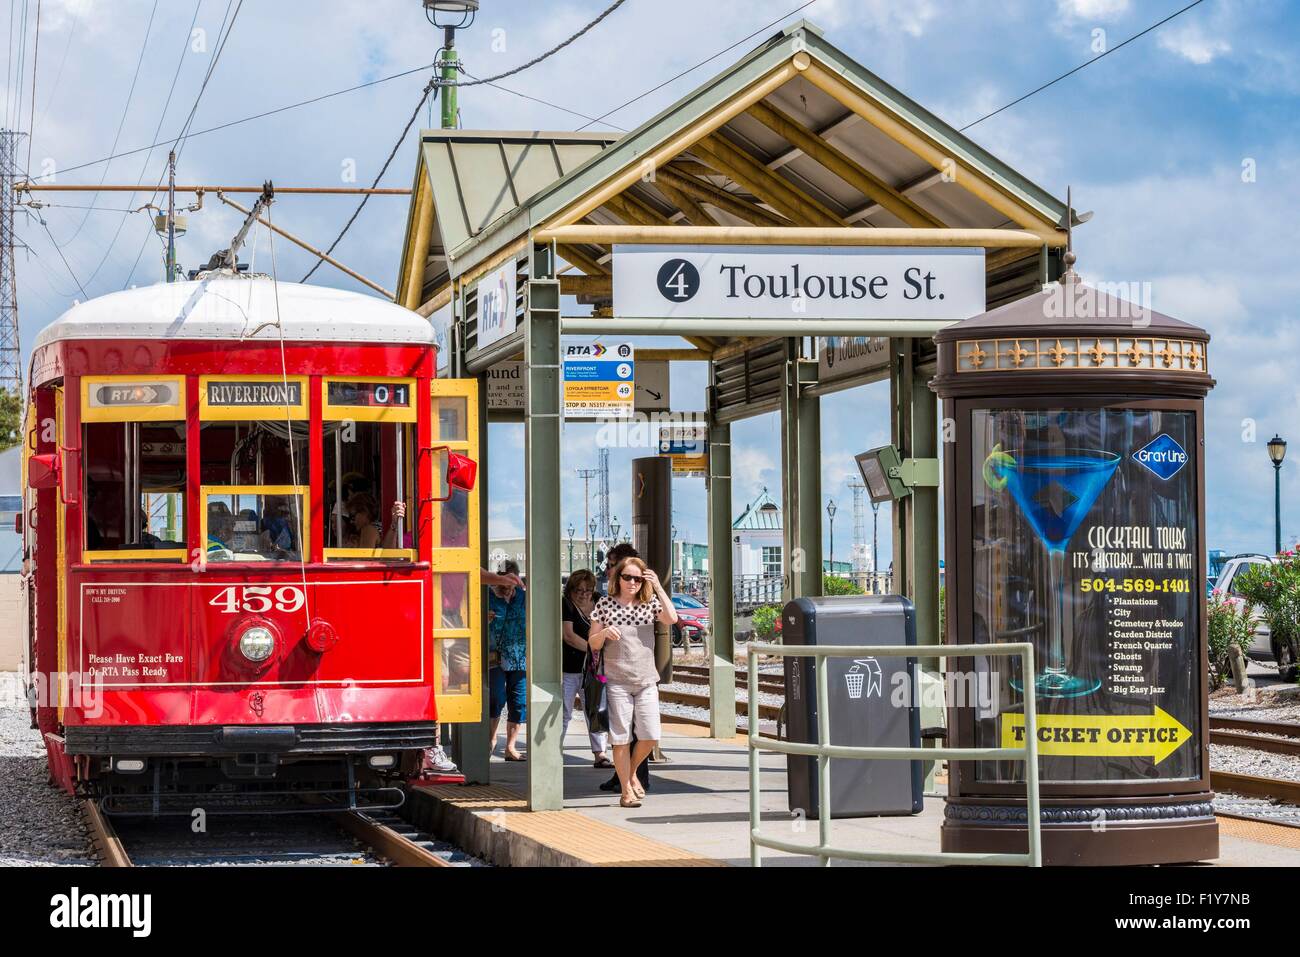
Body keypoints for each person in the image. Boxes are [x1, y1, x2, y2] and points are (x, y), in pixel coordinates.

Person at [588, 556, 678, 808]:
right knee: (621, 738)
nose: (632, 582)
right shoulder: (605, 605)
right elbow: (592, 642)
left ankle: (631, 772)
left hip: (646, 680)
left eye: (638, 578)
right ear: (618, 578)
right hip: (617, 682)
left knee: (649, 735)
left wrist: (658, 586)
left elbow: (671, 619)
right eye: (627, 577)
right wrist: (604, 633)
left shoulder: (648, 604)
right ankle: (626, 790)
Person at [562, 569, 612, 768]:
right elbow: (568, 635)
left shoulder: (600, 601)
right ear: (571, 589)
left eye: (588, 590)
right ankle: (552, 751)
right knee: (564, 712)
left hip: (592, 669)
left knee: (595, 709)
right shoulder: (566, 604)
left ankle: (600, 754)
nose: (583, 594)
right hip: (569, 667)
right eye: (578, 590)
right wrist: (593, 649)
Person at [488, 559, 528, 761]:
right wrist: (485, 619)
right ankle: (491, 739)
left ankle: (511, 747)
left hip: (520, 656)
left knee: (519, 701)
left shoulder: (523, 597)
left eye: (512, 579)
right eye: (505, 579)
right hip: (494, 655)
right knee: (496, 697)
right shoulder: (488, 595)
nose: (508, 585)